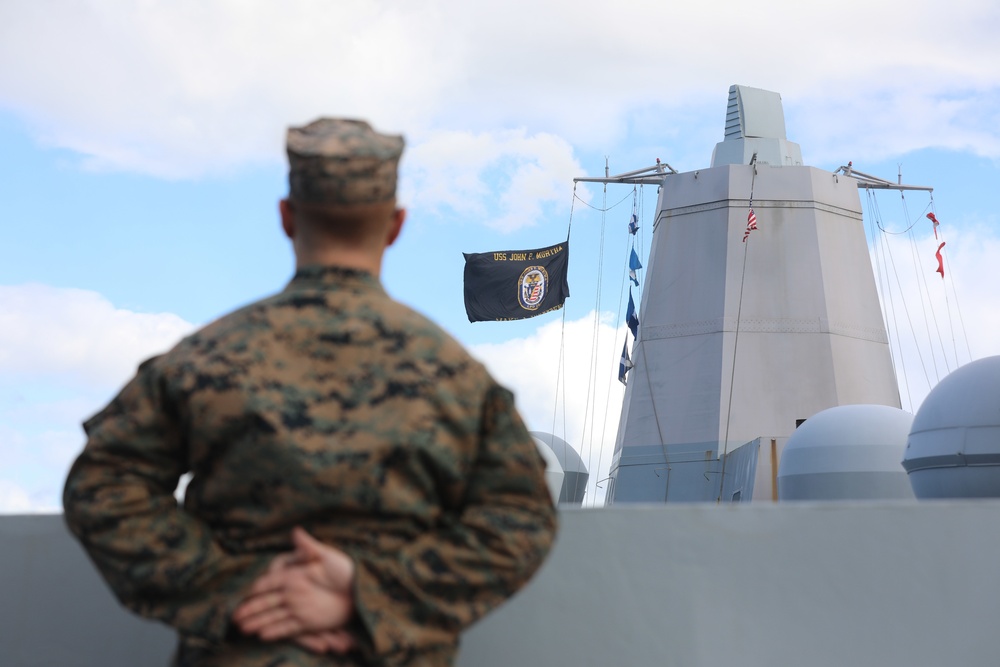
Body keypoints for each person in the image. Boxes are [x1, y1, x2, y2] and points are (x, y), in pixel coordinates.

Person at [63, 118, 558, 666]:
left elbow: (102, 484)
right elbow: (522, 519)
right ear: (395, 225)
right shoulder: (457, 377)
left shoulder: (204, 359)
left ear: (286, 216)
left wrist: (235, 588)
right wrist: (366, 595)